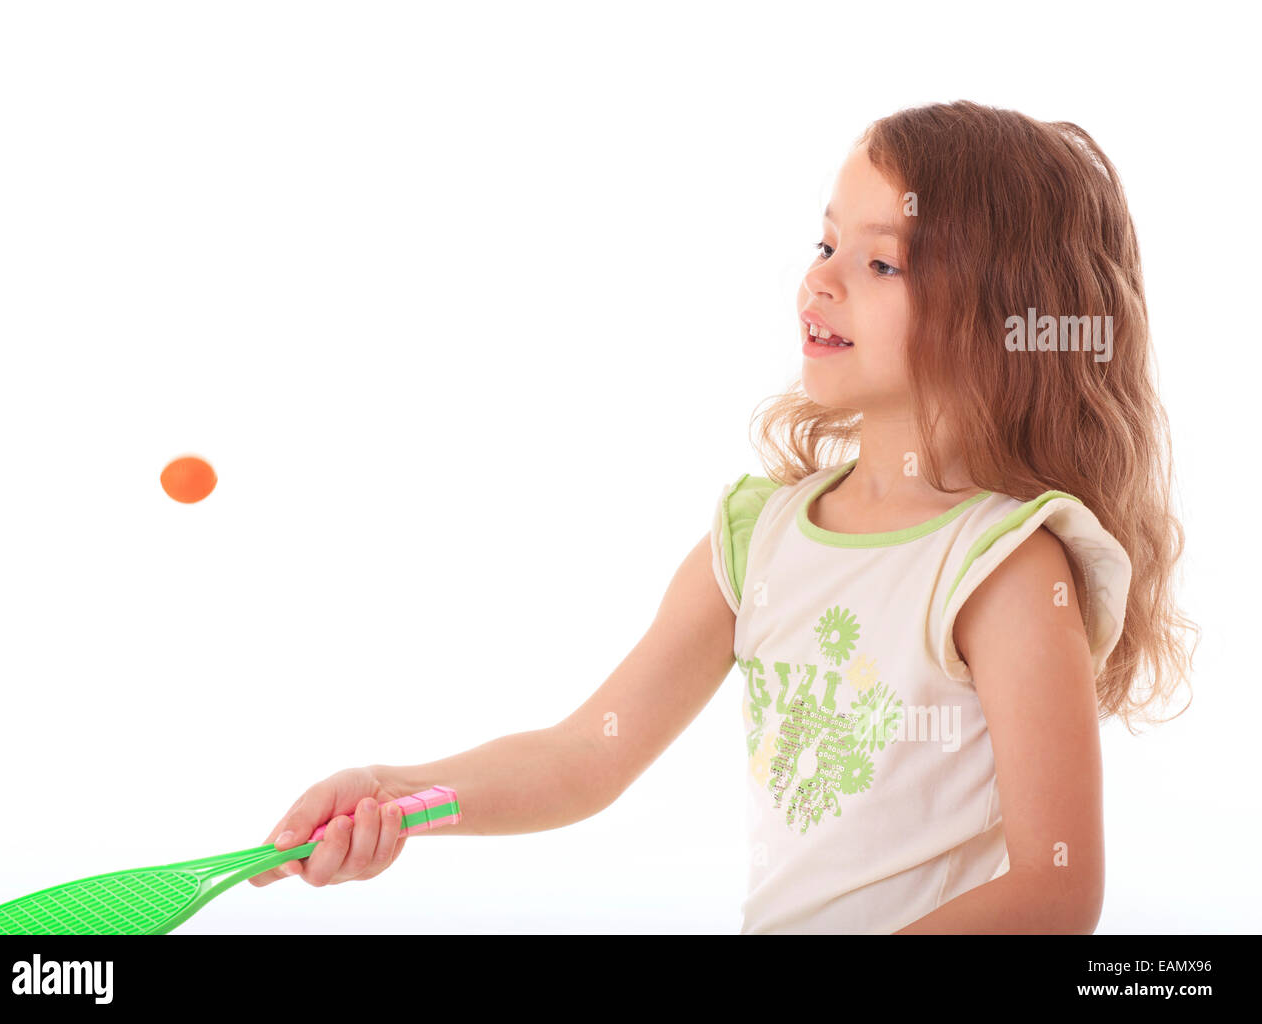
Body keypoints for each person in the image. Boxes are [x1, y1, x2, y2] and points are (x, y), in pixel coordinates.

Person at [248, 100, 1197, 934]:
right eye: (827, 244)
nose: (820, 281)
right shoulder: (764, 535)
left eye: (880, 262)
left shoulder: (1005, 568)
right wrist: (399, 792)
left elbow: (1054, 892)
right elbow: (587, 755)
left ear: (1001, 317)